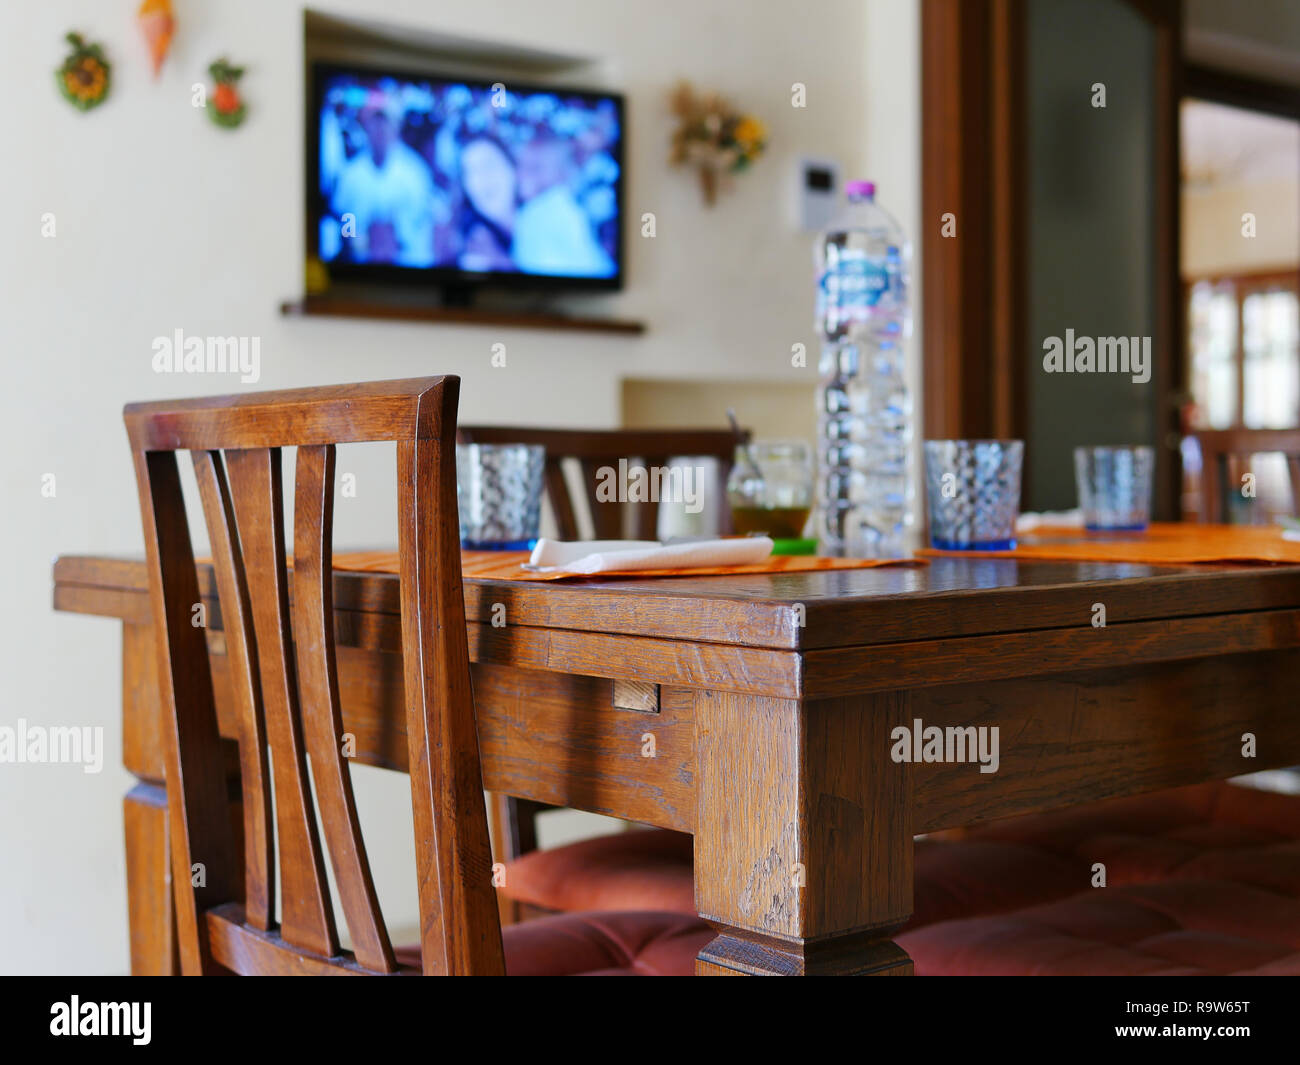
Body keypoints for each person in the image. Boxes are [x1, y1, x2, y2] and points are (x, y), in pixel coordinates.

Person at [331, 88, 435, 266]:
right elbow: (344, 220)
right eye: (375, 123)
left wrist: (397, 233)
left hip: (408, 266)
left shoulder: (416, 172)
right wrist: (359, 237)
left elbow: (424, 224)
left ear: (396, 127)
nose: (380, 130)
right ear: (367, 127)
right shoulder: (350, 175)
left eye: (385, 122)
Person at [512, 129, 614, 278]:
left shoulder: (539, 213)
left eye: (535, 167)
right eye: (520, 166)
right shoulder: (569, 208)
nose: (522, 175)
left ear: (563, 172)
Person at [455, 133, 518, 272]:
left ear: (512, 168)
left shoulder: (549, 216)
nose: (482, 179)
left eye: (489, 164)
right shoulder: (474, 251)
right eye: (471, 171)